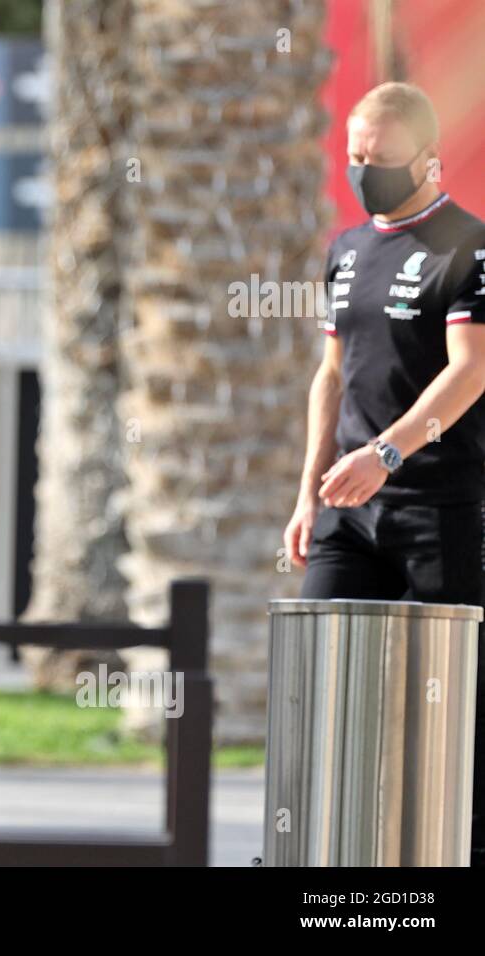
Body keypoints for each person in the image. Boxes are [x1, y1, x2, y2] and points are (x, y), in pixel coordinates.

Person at [283, 82, 485, 865]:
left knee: (447, 706)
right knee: (320, 683)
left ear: (429, 159)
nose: (364, 172)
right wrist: (308, 493)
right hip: (347, 511)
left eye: (381, 158)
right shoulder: (347, 248)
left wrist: (388, 453)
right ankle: (325, 860)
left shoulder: (468, 246)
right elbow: (330, 376)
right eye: (354, 157)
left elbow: (469, 373)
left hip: (438, 508)